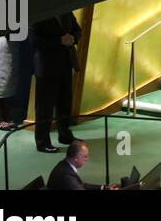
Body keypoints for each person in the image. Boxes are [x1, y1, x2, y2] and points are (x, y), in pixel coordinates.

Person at [33, 12, 81, 153]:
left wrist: (74, 37)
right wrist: (60, 40)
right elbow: (35, 42)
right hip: (47, 67)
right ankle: (42, 142)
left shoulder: (66, 10)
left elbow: (78, 30)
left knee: (65, 103)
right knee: (44, 108)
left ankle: (65, 135)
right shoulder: (37, 13)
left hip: (66, 64)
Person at [48, 141, 118, 190]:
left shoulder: (64, 164)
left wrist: (103, 187)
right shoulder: (67, 176)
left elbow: (81, 185)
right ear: (76, 158)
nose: (87, 159)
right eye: (85, 156)